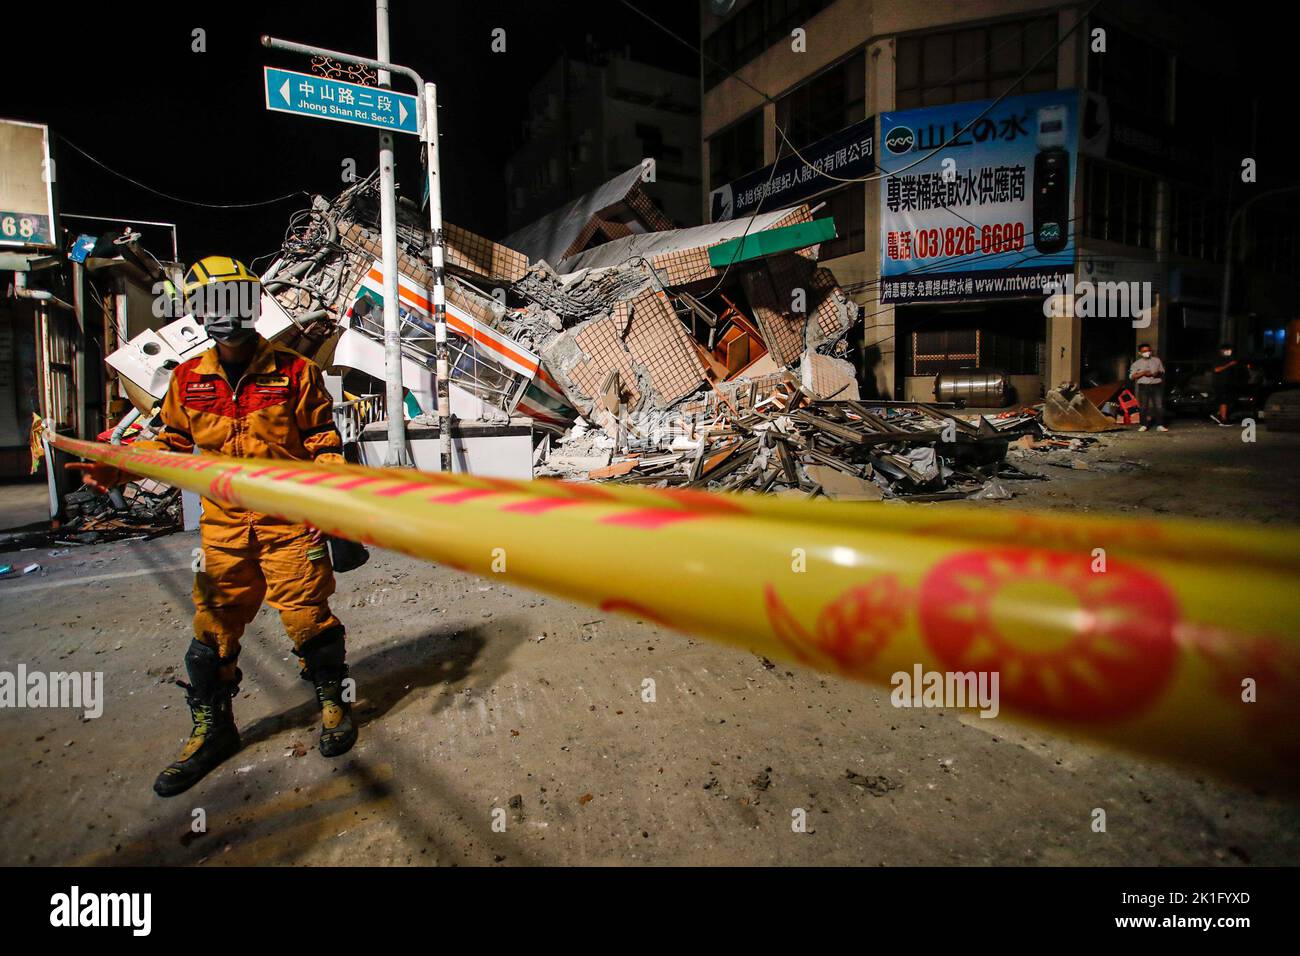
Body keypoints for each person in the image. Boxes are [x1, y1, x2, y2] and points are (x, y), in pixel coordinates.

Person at [69, 256, 357, 797]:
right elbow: (170, 446)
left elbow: (323, 443)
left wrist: (330, 503)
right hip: (224, 530)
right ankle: (214, 730)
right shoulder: (187, 380)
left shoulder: (296, 372)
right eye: (213, 304)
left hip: (289, 524)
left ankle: (334, 703)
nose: (227, 315)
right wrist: (118, 467)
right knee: (212, 632)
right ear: (198, 314)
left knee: (308, 619)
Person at [1128, 342, 1168, 432]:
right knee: (1143, 407)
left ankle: (1160, 425)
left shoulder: (1157, 360)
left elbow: (1162, 371)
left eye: (1149, 350)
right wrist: (1143, 373)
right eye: (1144, 351)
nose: (1147, 352)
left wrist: (1157, 373)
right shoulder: (1136, 364)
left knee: (1159, 406)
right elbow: (1131, 377)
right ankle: (1143, 425)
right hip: (1143, 386)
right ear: (1139, 353)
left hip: (1156, 385)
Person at [1211, 342, 1241, 425]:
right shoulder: (1218, 359)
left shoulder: (1230, 359)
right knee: (1224, 400)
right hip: (1220, 383)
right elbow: (1217, 369)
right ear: (1223, 350)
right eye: (1228, 350)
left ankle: (1218, 415)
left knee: (1228, 400)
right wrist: (1229, 365)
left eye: (1230, 350)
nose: (1229, 352)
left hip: (1228, 383)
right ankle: (1223, 419)